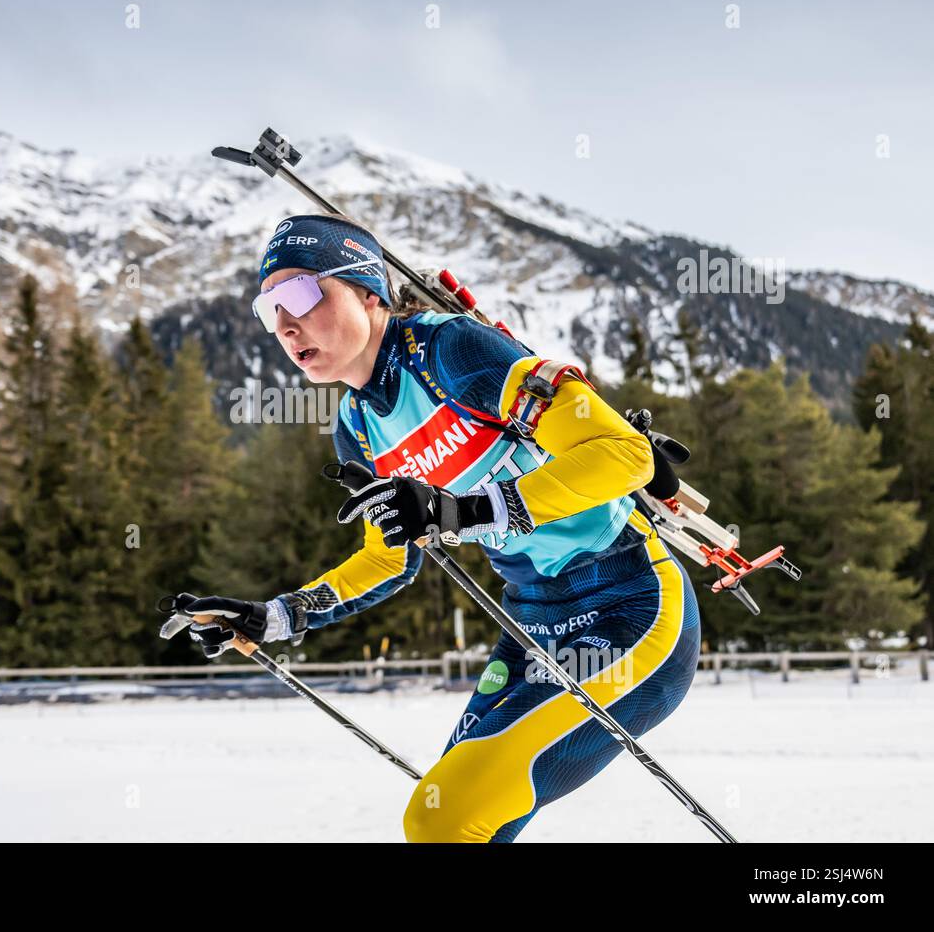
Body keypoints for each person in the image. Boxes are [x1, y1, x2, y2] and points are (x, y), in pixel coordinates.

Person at [170, 213, 701, 843]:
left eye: (302, 296)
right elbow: (392, 558)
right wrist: (276, 616)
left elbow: (624, 453)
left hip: (630, 607)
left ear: (369, 293)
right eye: (268, 310)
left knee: (442, 819)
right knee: (448, 819)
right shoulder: (357, 428)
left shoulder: (450, 350)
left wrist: (466, 510)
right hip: (530, 628)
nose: (285, 325)